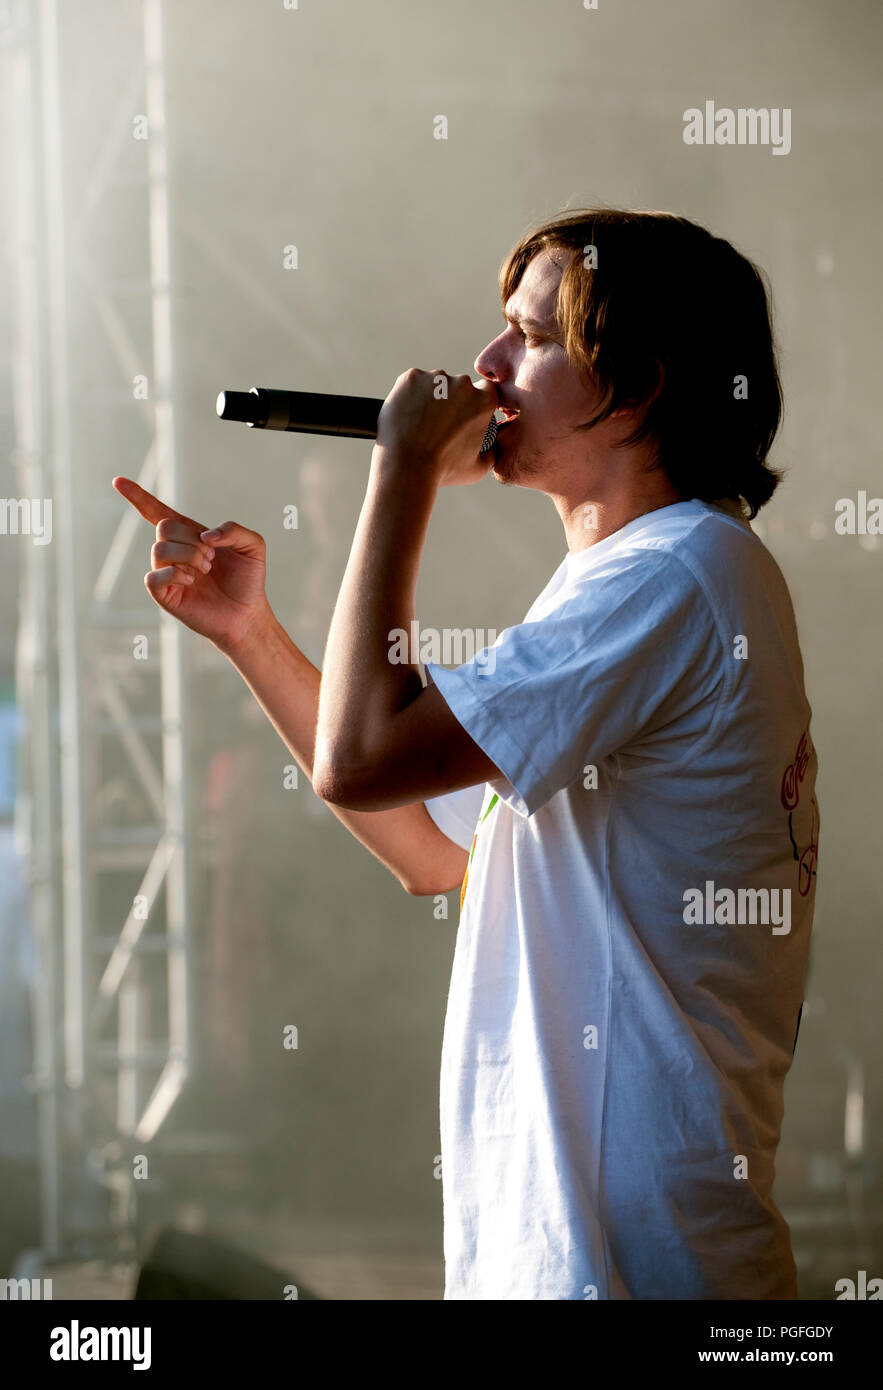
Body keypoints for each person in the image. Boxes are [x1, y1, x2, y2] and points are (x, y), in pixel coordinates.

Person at [113, 207, 819, 1300]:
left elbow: (360, 755)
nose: (483, 368)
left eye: (530, 338)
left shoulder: (675, 577)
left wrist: (398, 475)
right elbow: (425, 846)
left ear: (635, 389)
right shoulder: (632, 582)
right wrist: (252, 634)